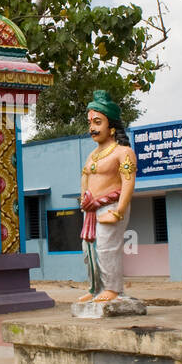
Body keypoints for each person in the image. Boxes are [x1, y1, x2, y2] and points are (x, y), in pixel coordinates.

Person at [78, 90, 138, 304]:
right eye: (90, 123)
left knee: (106, 248)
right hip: (92, 210)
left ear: (111, 126)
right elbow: (85, 177)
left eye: (97, 122)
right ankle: (95, 288)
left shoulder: (123, 152)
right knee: (89, 251)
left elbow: (129, 182)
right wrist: (83, 200)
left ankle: (112, 289)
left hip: (112, 206)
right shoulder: (92, 154)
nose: (92, 128)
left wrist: (119, 212)